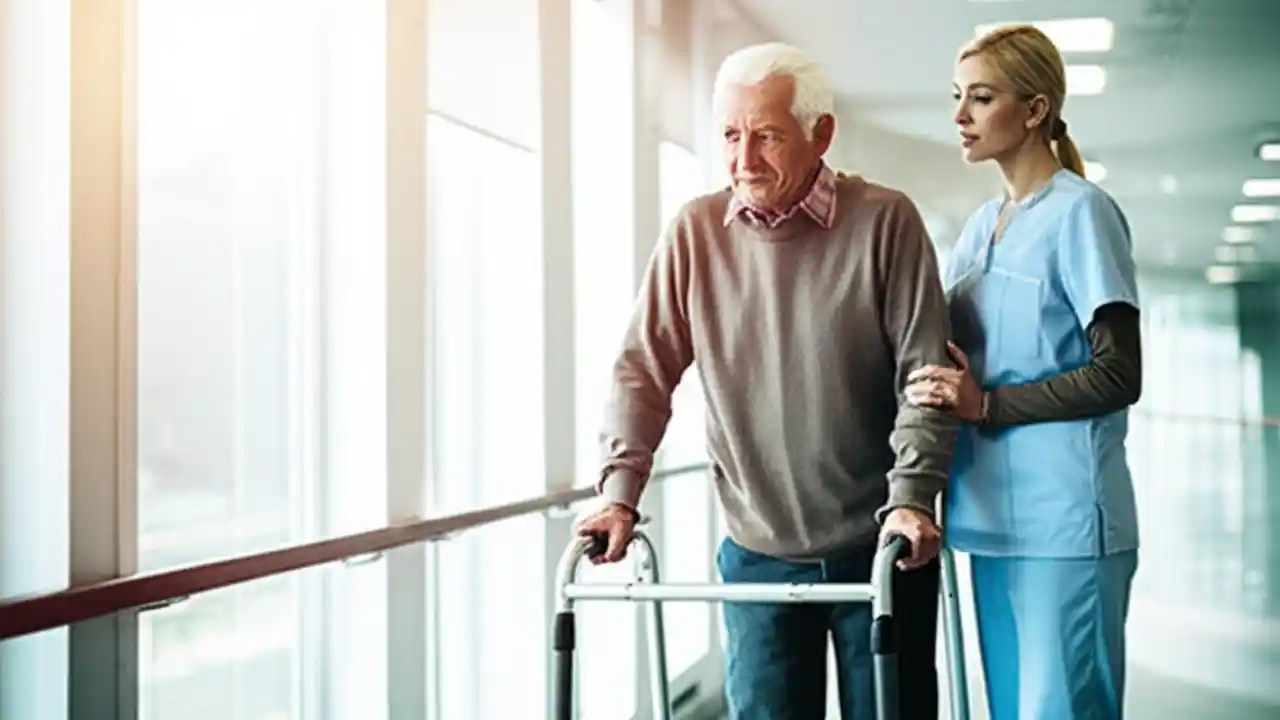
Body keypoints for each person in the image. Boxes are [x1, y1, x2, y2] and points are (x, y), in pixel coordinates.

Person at [575, 41, 959, 719]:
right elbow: (642, 369)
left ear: (822, 134)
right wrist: (619, 493)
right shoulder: (695, 233)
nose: (744, 159)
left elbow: (923, 377)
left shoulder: (884, 222)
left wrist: (913, 496)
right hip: (756, 555)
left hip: (881, 546)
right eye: (730, 134)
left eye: (768, 136)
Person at [904, 24, 1143, 720]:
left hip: (1065, 526)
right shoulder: (980, 227)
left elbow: (1118, 374)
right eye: (958, 97)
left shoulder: (1084, 213)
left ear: (1034, 110)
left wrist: (989, 405)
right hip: (988, 521)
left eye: (981, 98)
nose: (960, 116)